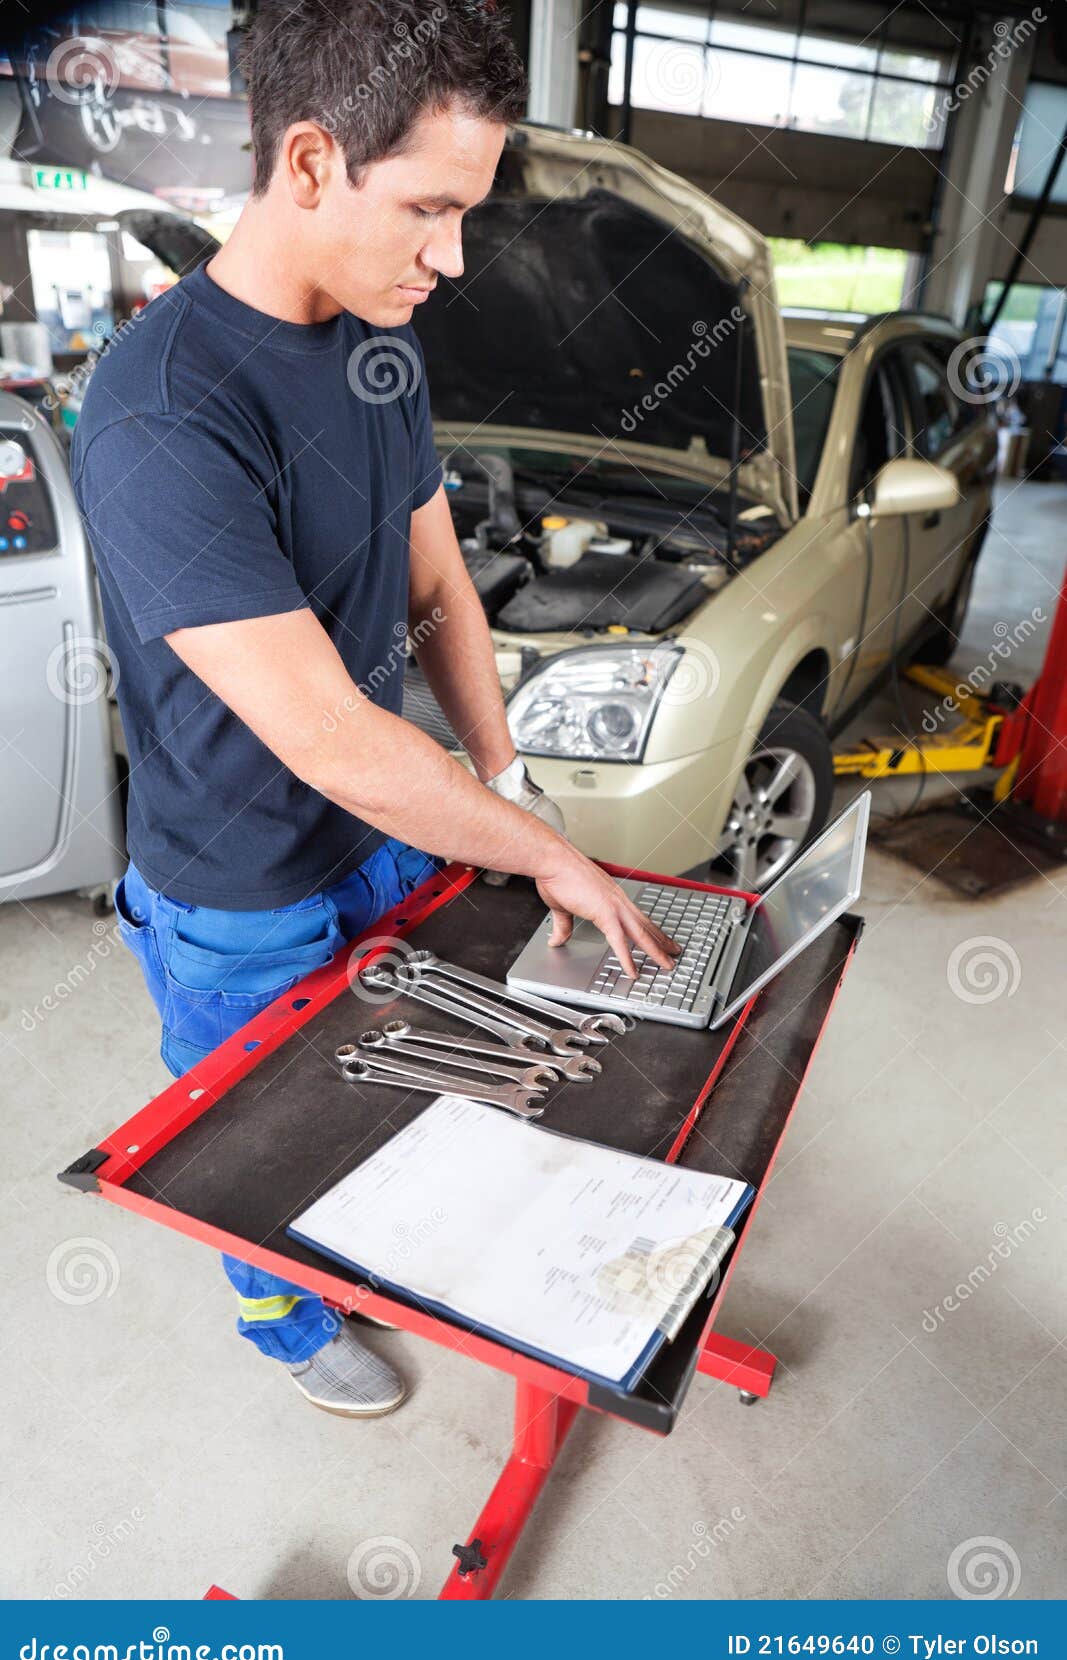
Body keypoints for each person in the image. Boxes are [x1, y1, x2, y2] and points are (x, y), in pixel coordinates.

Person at [72, 0, 678, 1419]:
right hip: (243, 891)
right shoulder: (162, 409)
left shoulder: (374, 345)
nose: (453, 257)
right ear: (304, 162)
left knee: (396, 1107)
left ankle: (373, 1248)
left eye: (468, 213)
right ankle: (281, 1320)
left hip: (387, 839)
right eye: (428, 209)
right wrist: (540, 858)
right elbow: (328, 735)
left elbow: (444, 598)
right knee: (264, 1156)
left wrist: (512, 792)